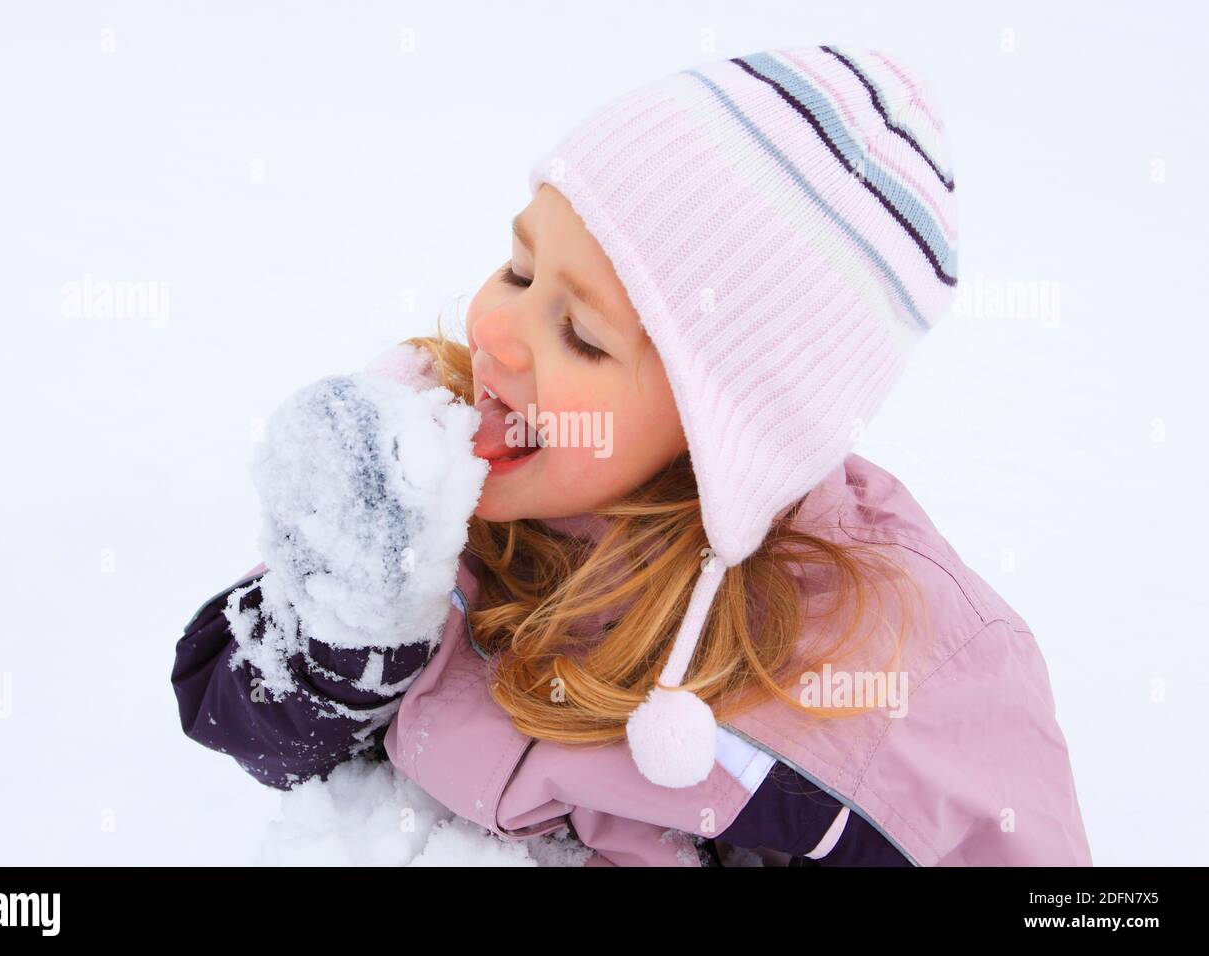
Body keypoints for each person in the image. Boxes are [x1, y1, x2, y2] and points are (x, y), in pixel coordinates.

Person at [172, 45, 1092, 867]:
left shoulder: (886, 667)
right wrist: (357, 614)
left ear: (720, 434)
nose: (493, 326)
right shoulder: (420, 456)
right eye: (521, 269)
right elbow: (246, 727)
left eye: (579, 333)